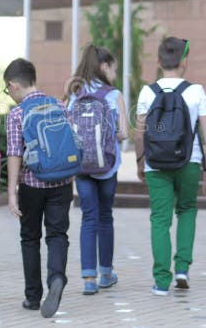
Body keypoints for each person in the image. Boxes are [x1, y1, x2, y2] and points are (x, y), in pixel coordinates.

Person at [134, 37, 206, 296]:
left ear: (158, 62)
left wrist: (140, 162)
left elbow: (139, 133)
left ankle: (161, 281)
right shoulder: (196, 91)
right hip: (188, 161)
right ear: (184, 62)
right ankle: (182, 268)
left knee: (160, 220)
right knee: (187, 210)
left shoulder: (147, 92)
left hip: (156, 163)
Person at [4, 58, 74, 318]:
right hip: (62, 182)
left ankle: (32, 297)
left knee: (30, 238)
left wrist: (11, 192)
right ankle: (56, 278)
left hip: (31, 185)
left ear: (13, 85)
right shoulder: (59, 105)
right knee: (57, 235)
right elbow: (70, 144)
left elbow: (14, 153)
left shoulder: (17, 114)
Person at [65, 45, 128, 295]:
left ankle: (88, 278)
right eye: (113, 68)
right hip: (108, 167)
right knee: (105, 217)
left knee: (88, 218)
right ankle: (106, 273)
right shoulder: (114, 95)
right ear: (104, 67)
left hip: (81, 168)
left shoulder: (74, 94)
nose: (114, 73)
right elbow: (123, 133)